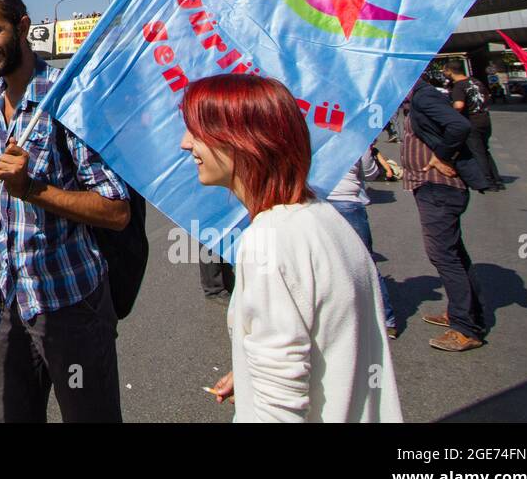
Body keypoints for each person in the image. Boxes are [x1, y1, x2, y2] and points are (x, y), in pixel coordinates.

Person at [180, 74, 401, 422]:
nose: (185, 143)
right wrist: (254, 376)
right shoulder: (320, 217)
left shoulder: (270, 240)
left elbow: (278, 413)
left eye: (196, 131)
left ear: (240, 140)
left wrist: (265, 392)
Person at [0, 0, 130, 423]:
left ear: (22, 27)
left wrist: (33, 190)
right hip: (9, 301)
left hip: (72, 301)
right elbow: (1, 187)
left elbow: (116, 210)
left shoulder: (68, 98)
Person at [402, 72, 486, 352]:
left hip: (439, 187)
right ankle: (465, 314)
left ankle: (465, 328)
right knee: (454, 253)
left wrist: (442, 156)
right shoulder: (421, 98)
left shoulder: (424, 96)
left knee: (444, 256)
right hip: (434, 188)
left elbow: (458, 126)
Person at [325, 151, 397, 338]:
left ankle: (336, 321)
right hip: (348, 200)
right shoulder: (356, 132)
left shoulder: (312, 132)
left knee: (323, 263)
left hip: (318, 200)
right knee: (364, 263)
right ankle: (386, 320)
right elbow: (371, 172)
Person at [444, 62, 504, 192]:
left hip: (471, 121)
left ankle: (488, 182)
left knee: (477, 152)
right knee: (484, 150)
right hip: (484, 119)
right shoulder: (475, 81)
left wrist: (450, 113)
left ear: (449, 71)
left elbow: (459, 105)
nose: (444, 73)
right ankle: (497, 179)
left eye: (444, 71)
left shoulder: (459, 86)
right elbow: (488, 97)